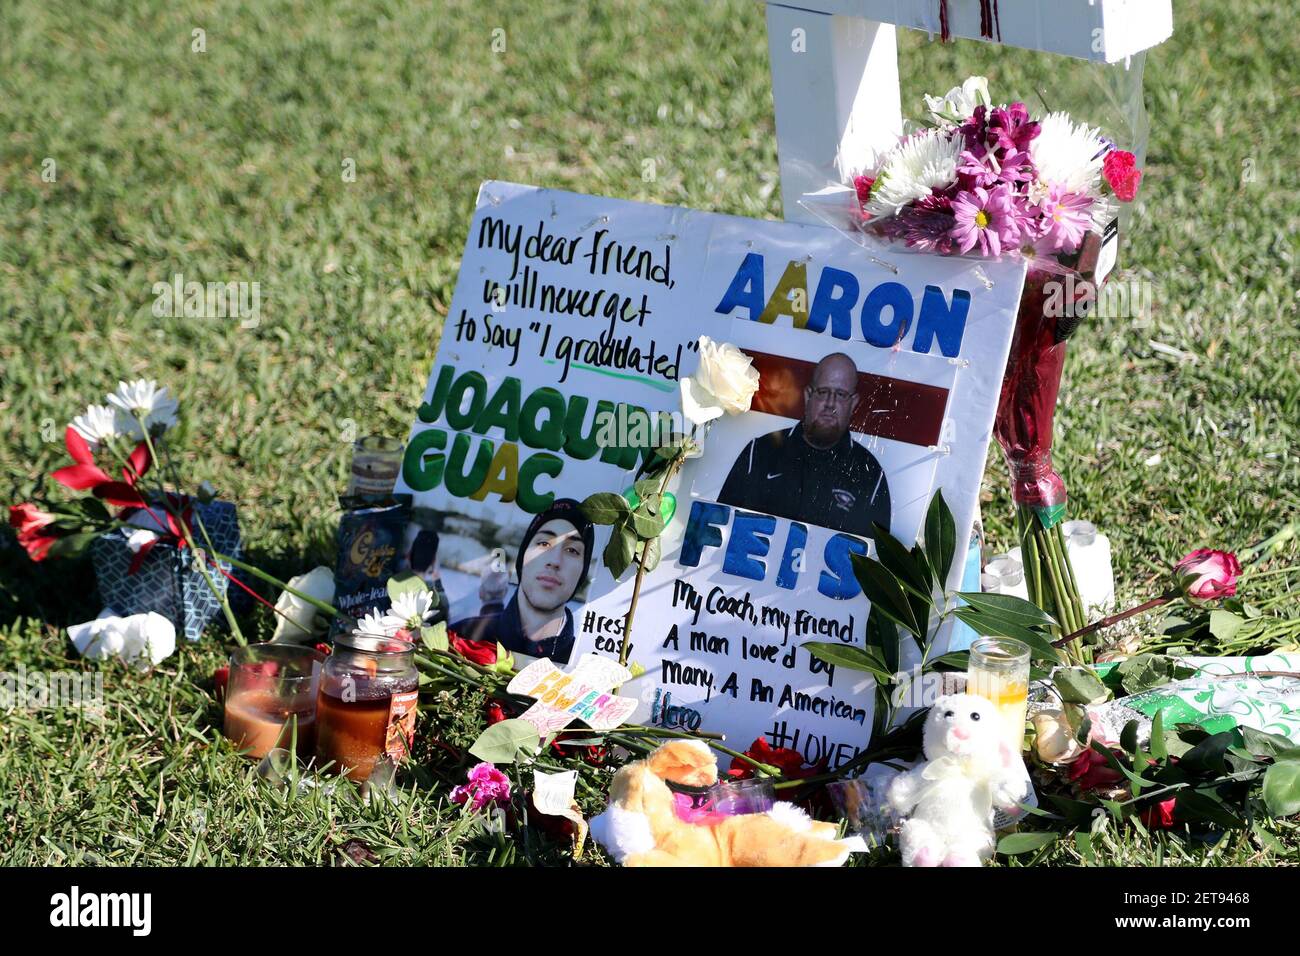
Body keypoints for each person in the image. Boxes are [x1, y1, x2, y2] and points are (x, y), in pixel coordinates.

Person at [718, 352, 890, 537]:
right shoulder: (760, 452)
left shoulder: (870, 475)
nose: (830, 404)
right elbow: (716, 526)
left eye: (841, 395)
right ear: (808, 395)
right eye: (823, 392)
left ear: (853, 403)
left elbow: (876, 559)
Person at [451, 498, 593, 664]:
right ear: (522, 558)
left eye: (572, 550)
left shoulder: (582, 666)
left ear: (583, 570)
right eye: (544, 543)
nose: (555, 561)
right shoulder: (460, 637)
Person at [405, 527, 451, 628]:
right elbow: (444, 621)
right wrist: (437, 582)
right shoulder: (437, 599)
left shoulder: (390, 583)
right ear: (434, 560)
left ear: (408, 555)